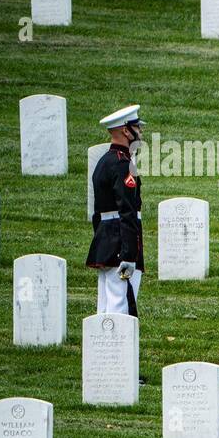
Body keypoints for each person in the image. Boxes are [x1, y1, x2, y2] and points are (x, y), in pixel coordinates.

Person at [86, 105, 146, 317]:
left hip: (106, 242)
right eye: (137, 128)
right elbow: (128, 212)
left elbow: (97, 214)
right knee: (120, 308)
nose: (141, 132)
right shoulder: (123, 165)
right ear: (125, 131)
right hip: (121, 245)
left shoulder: (104, 161)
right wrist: (129, 255)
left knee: (105, 306)